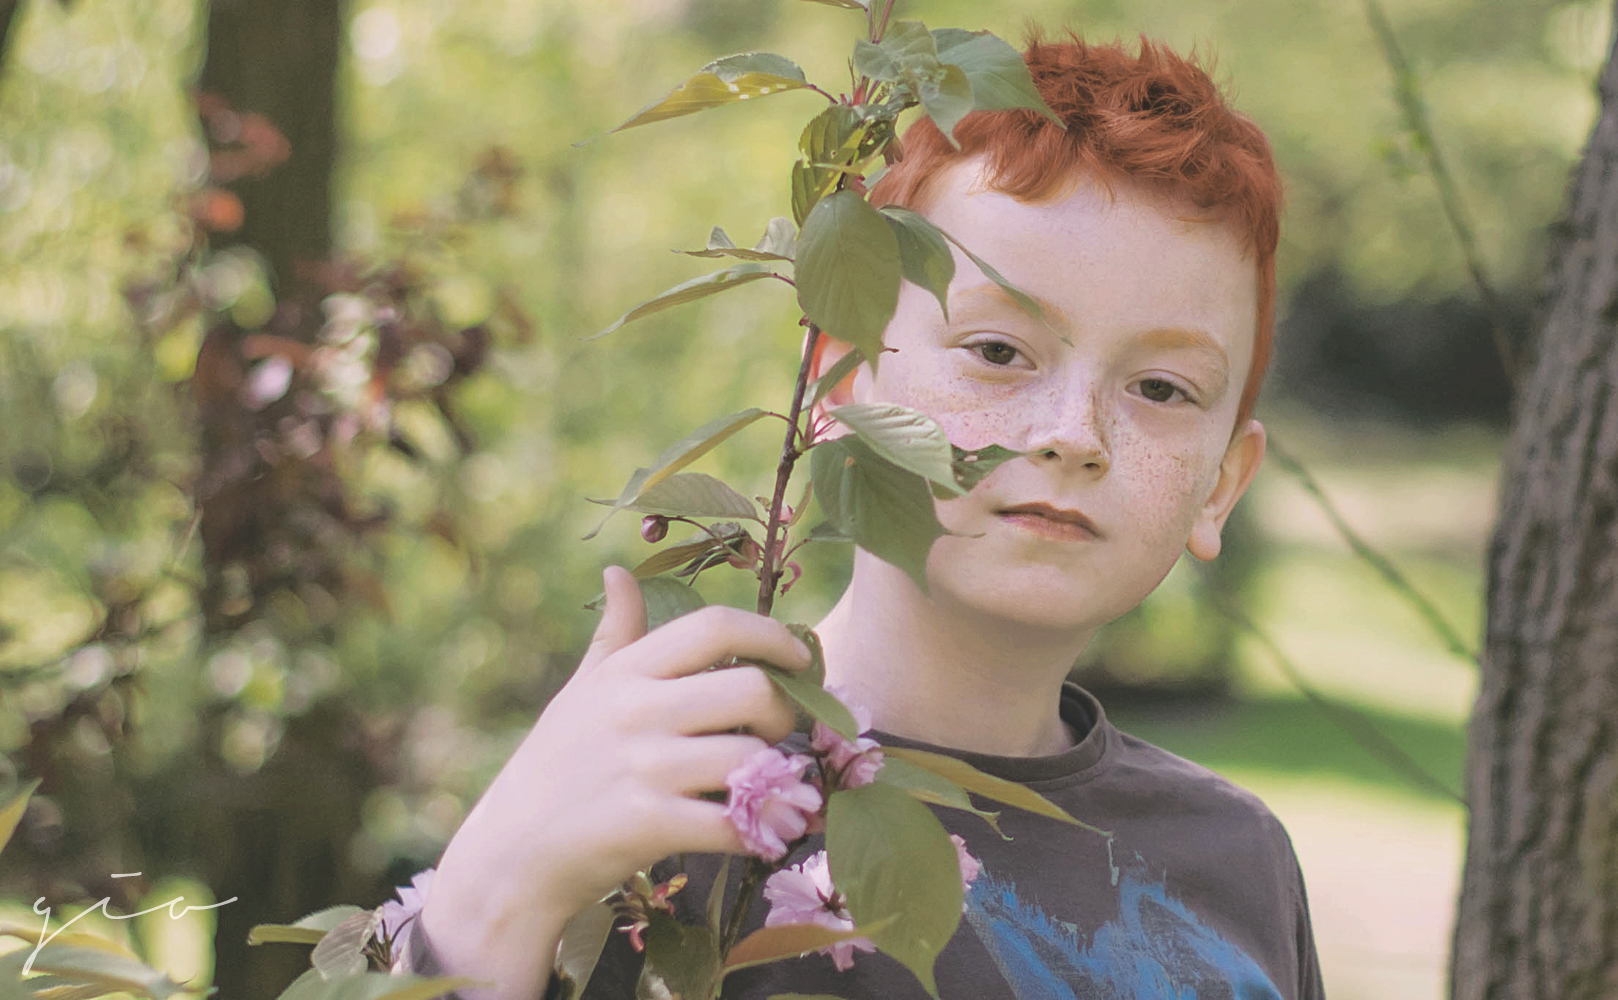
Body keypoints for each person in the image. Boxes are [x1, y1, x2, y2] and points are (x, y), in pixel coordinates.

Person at [409, 32, 1323, 1000]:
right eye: (998, 351)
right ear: (836, 383)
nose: (1074, 434)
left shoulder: (1234, 860)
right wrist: (489, 898)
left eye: (1160, 387)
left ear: (1220, 484)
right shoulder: (663, 802)